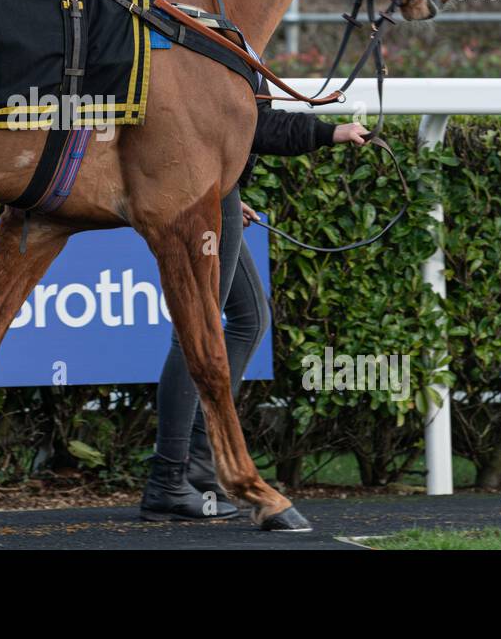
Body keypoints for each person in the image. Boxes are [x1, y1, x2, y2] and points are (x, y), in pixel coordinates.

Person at [141, 80, 369, 520]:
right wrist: (329, 132)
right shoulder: (218, 35)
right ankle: (169, 479)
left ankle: (203, 466)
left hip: (218, 187)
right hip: (204, 187)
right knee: (197, 333)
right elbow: (255, 127)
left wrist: (234, 193)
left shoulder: (228, 34)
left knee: (250, 318)